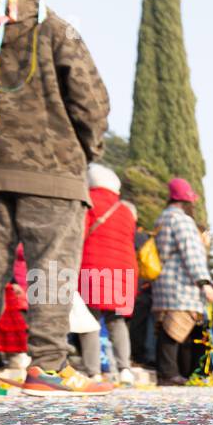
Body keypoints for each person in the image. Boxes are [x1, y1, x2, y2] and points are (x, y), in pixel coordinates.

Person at [0, 0, 112, 396]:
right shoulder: (53, 27)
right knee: (51, 269)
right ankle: (47, 365)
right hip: (53, 165)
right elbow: (90, 100)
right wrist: (87, 150)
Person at [78, 163, 138, 384]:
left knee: (90, 320)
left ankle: (93, 371)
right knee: (117, 320)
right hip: (123, 271)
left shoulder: (87, 202)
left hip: (92, 266)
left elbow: (80, 233)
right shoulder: (125, 210)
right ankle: (125, 369)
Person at [151, 179, 212, 385]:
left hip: (162, 281)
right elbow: (192, 253)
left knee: (166, 328)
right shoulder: (182, 221)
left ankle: (168, 372)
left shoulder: (161, 219)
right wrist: (204, 282)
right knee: (175, 328)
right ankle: (170, 373)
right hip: (180, 283)